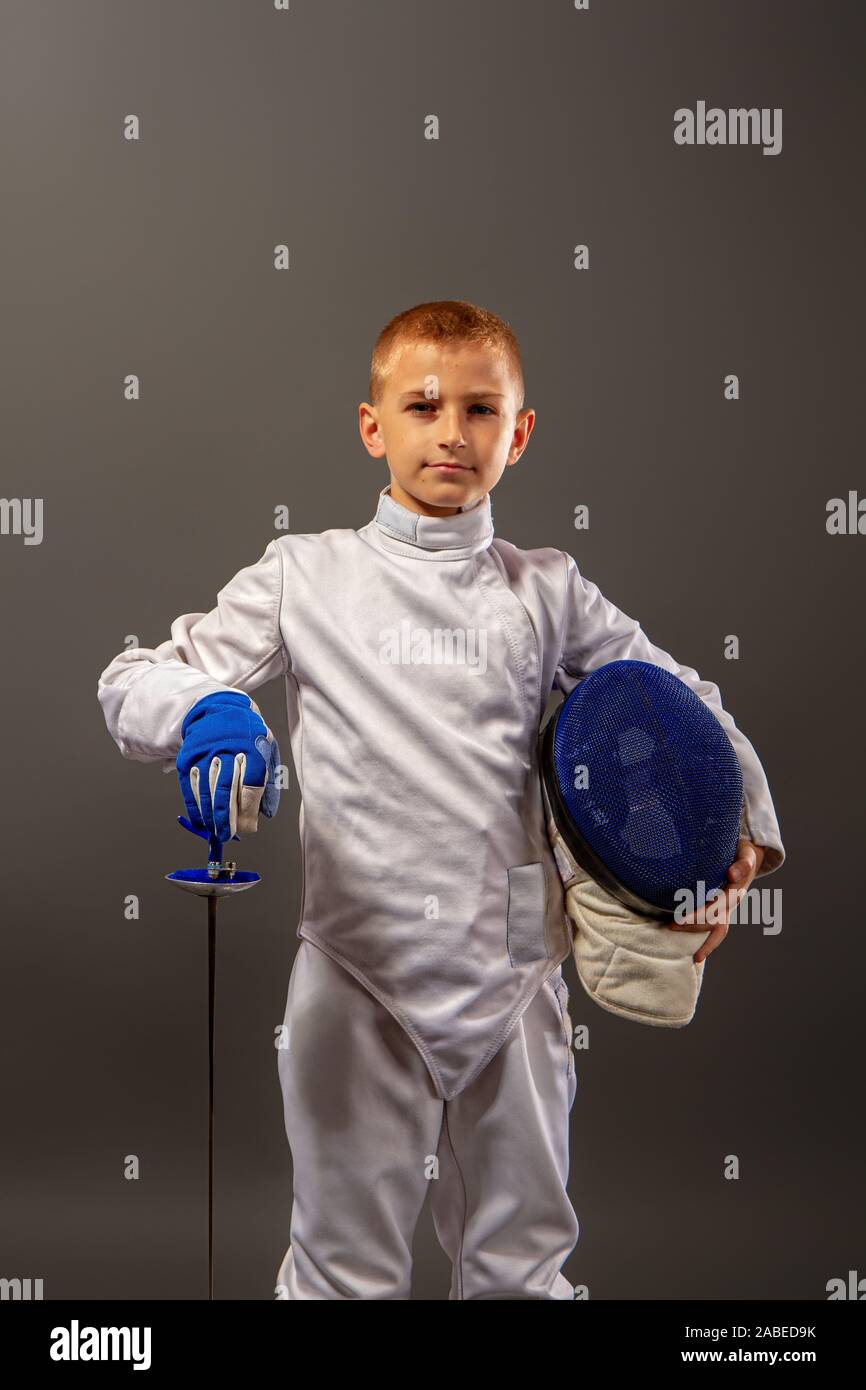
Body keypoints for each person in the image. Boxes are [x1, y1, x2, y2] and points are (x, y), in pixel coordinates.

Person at [97, 299, 785, 1300]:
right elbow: (132, 679)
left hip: (513, 971)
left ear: (519, 430)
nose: (450, 433)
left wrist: (736, 841)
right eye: (421, 406)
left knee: (521, 1267)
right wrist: (204, 707)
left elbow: (687, 709)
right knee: (344, 1270)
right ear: (374, 426)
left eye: (478, 408)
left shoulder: (546, 590)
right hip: (355, 970)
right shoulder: (308, 573)